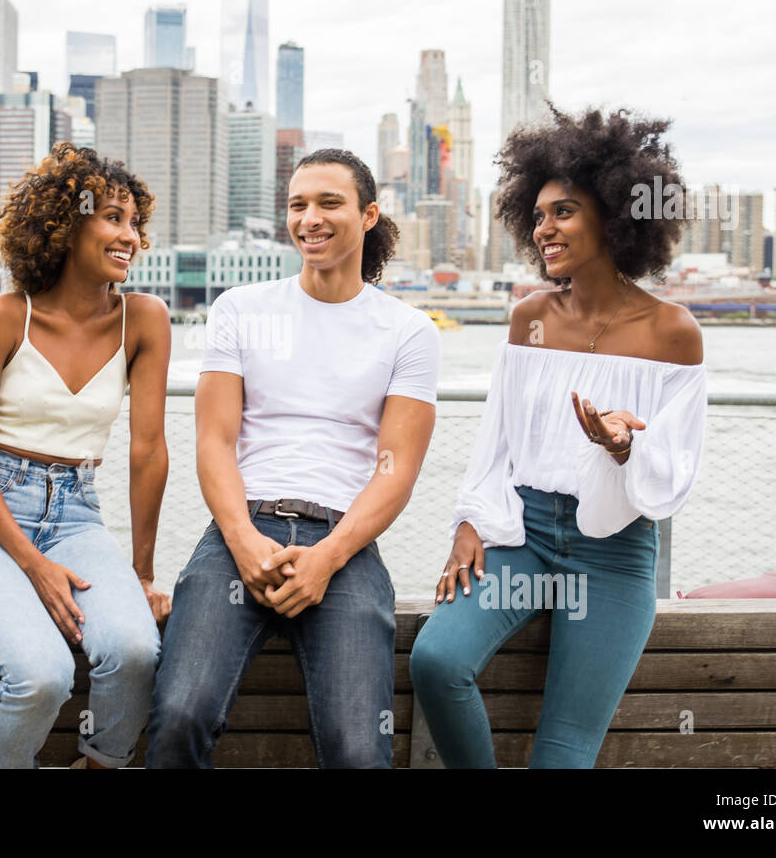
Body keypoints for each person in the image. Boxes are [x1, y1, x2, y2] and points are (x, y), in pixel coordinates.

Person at [409, 106, 707, 768]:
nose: (545, 227)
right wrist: (470, 522)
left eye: (564, 211)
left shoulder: (673, 332)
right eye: (538, 214)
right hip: (525, 535)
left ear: (613, 214)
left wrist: (623, 444)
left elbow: (678, 470)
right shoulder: (529, 319)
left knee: (563, 754)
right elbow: (498, 443)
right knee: (436, 659)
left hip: (614, 555)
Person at [145, 148, 440, 769]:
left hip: (344, 541)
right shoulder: (240, 309)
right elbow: (215, 442)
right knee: (179, 715)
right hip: (239, 529)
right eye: (298, 204)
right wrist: (244, 540)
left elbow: (397, 469)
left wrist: (327, 559)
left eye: (329, 203)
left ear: (368, 216)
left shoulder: (408, 331)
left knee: (360, 748)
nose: (310, 217)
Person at [0, 142, 170, 769]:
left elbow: (147, 453)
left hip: (76, 513)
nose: (130, 237)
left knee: (135, 650)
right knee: (41, 675)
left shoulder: (145, 321)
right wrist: (32, 563)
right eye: (113, 219)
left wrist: (143, 574)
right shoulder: (3, 317)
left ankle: (99, 763)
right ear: (64, 226)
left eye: (135, 223)